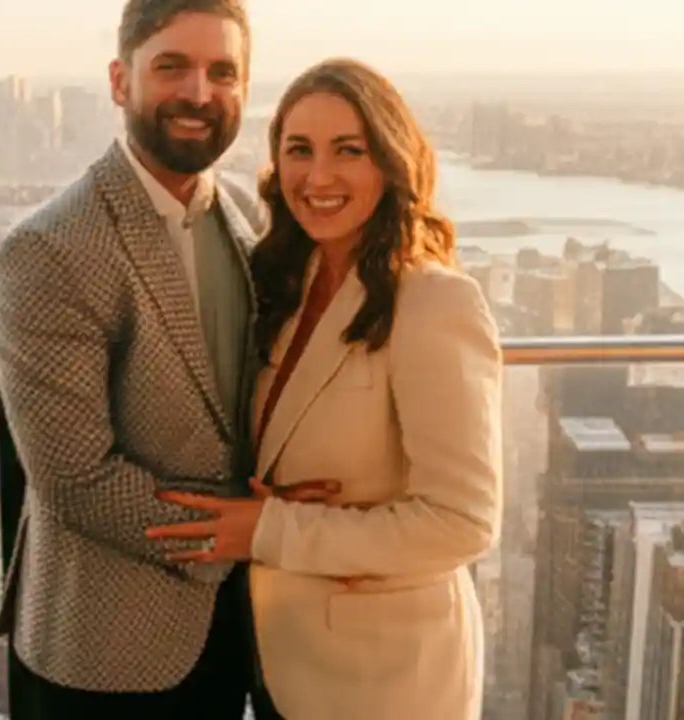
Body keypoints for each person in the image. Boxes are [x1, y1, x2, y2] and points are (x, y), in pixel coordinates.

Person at [0, 1, 331, 717]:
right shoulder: (49, 249)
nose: (199, 94)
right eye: (172, 67)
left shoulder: (248, 218)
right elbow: (76, 477)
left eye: (222, 72)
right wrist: (240, 535)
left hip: (233, 638)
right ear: (121, 81)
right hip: (103, 654)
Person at [147, 58, 504, 718]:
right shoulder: (283, 281)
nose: (319, 177)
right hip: (286, 662)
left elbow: (462, 523)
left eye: (349, 151)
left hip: (390, 677)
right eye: (298, 151)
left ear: (391, 163)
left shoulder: (433, 303)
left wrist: (272, 527)